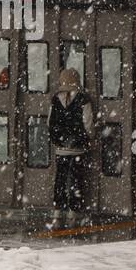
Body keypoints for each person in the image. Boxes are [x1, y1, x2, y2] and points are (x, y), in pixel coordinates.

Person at [48, 67, 94, 228]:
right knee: (76, 180)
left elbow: (50, 123)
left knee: (60, 180)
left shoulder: (55, 99)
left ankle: (57, 215)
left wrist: (58, 139)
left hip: (61, 148)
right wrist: (86, 138)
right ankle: (73, 216)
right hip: (78, 148)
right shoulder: (83, 99)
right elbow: (87, 123)